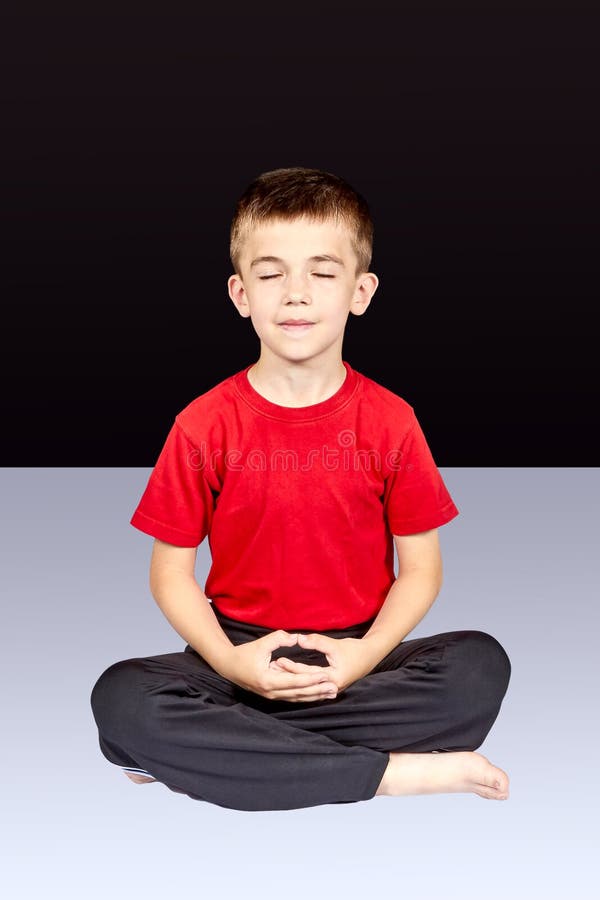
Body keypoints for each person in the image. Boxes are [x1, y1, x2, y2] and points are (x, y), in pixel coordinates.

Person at [90, 167, 511, 812]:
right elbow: (171, 574)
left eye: (321, 272)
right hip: (236, 654)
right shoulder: (202, 424)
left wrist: (362, 658)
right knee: (120, 696)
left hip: (359, 654)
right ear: (240, 294)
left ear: (360, 292)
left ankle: (218, 756)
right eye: (270, 274)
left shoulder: (392, 420)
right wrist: (234, 669)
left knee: (480, 667)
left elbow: (420, 569)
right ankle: (391, 772)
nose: (295, 295)